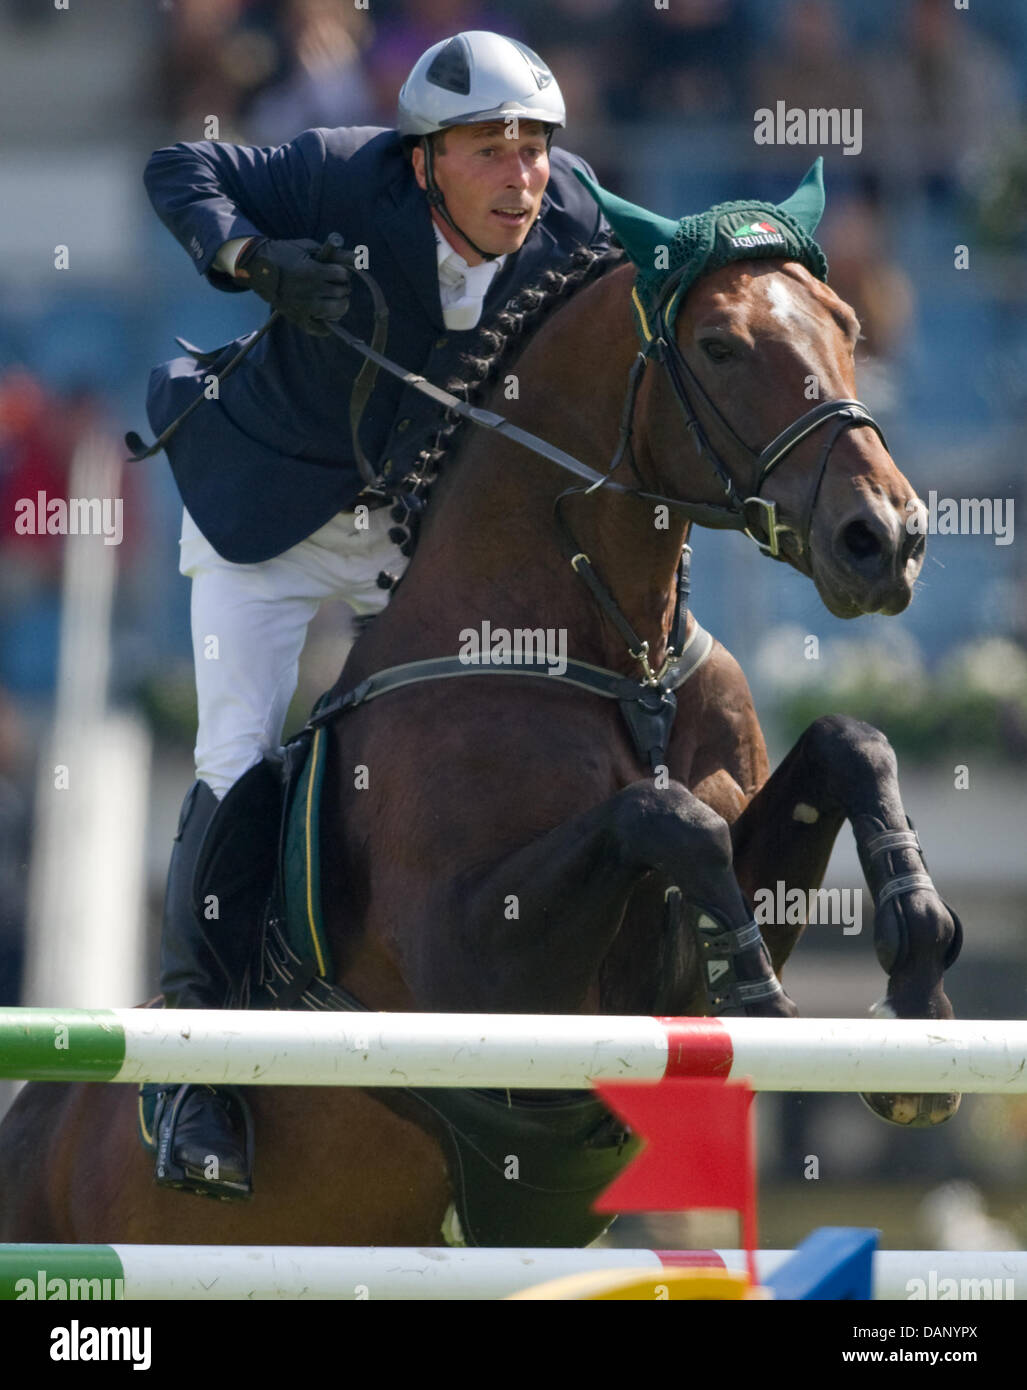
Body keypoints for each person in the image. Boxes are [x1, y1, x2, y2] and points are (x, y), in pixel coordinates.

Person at [141, 30, 613, 1199]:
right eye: (489, 151)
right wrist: (247, 255)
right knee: (239, 747)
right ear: (423, 162)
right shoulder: (344, 168)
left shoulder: (575, 224)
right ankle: (189, 1062)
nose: (522, 176)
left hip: (410, 530)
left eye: (535, 148)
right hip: (270, 518)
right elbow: (174, 168)